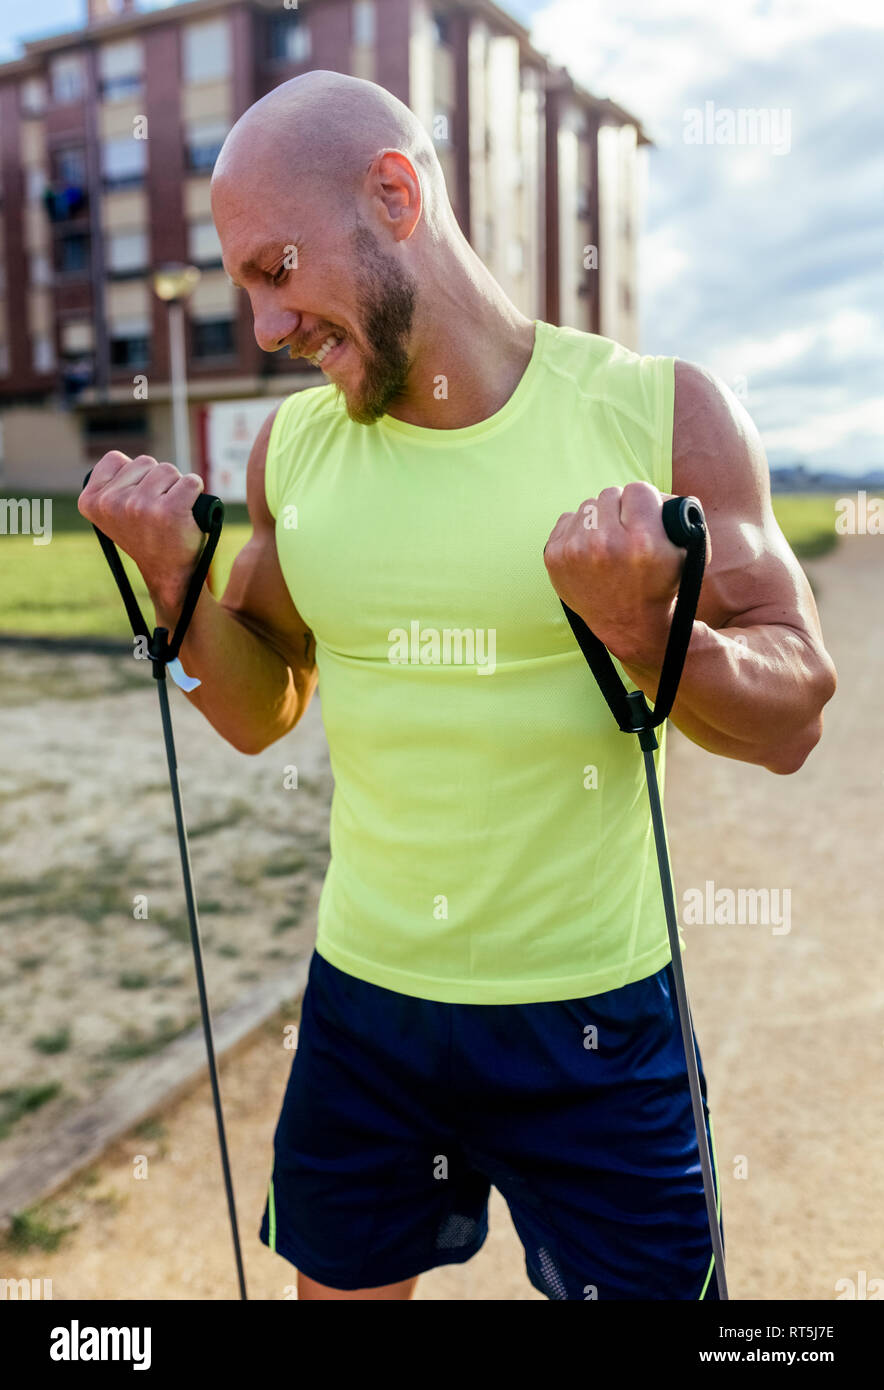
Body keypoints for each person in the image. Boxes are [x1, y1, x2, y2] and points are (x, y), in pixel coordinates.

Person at [78, 71, 837, 1301]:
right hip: (366, 1007)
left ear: (393, 193)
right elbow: (264, 708)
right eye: (244, 289)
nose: (266, 326)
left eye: (277, 269)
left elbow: (795, 712)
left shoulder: (657, 414)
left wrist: (656, 636)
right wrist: (179, 599)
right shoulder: (295, 447)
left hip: (590, 1017)